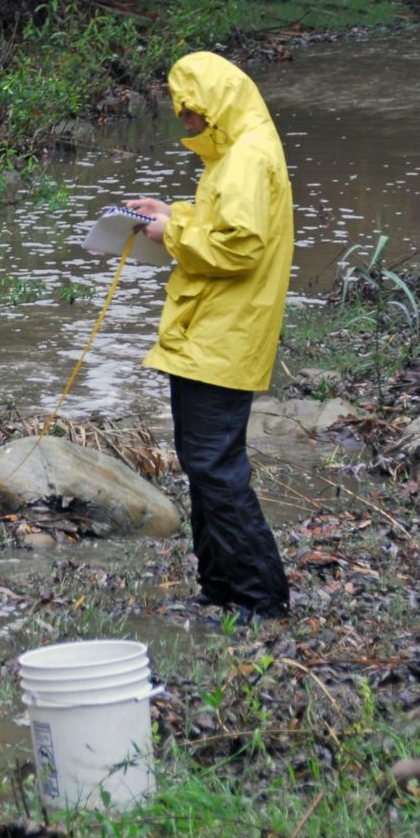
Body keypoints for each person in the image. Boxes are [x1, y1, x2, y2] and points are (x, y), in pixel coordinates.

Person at [126, 51, 293, 621]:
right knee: (204, 465)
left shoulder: (247, 156)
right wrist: (170, 212)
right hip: (210, 331)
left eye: (191, 111)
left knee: (216, 467)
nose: (186, 123)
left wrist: (170, 233)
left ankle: (260, 598)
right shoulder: (238, 152)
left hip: (225, 333)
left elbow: (239, 247)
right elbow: (224, 223)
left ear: (216, 104)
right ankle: (220, 588)